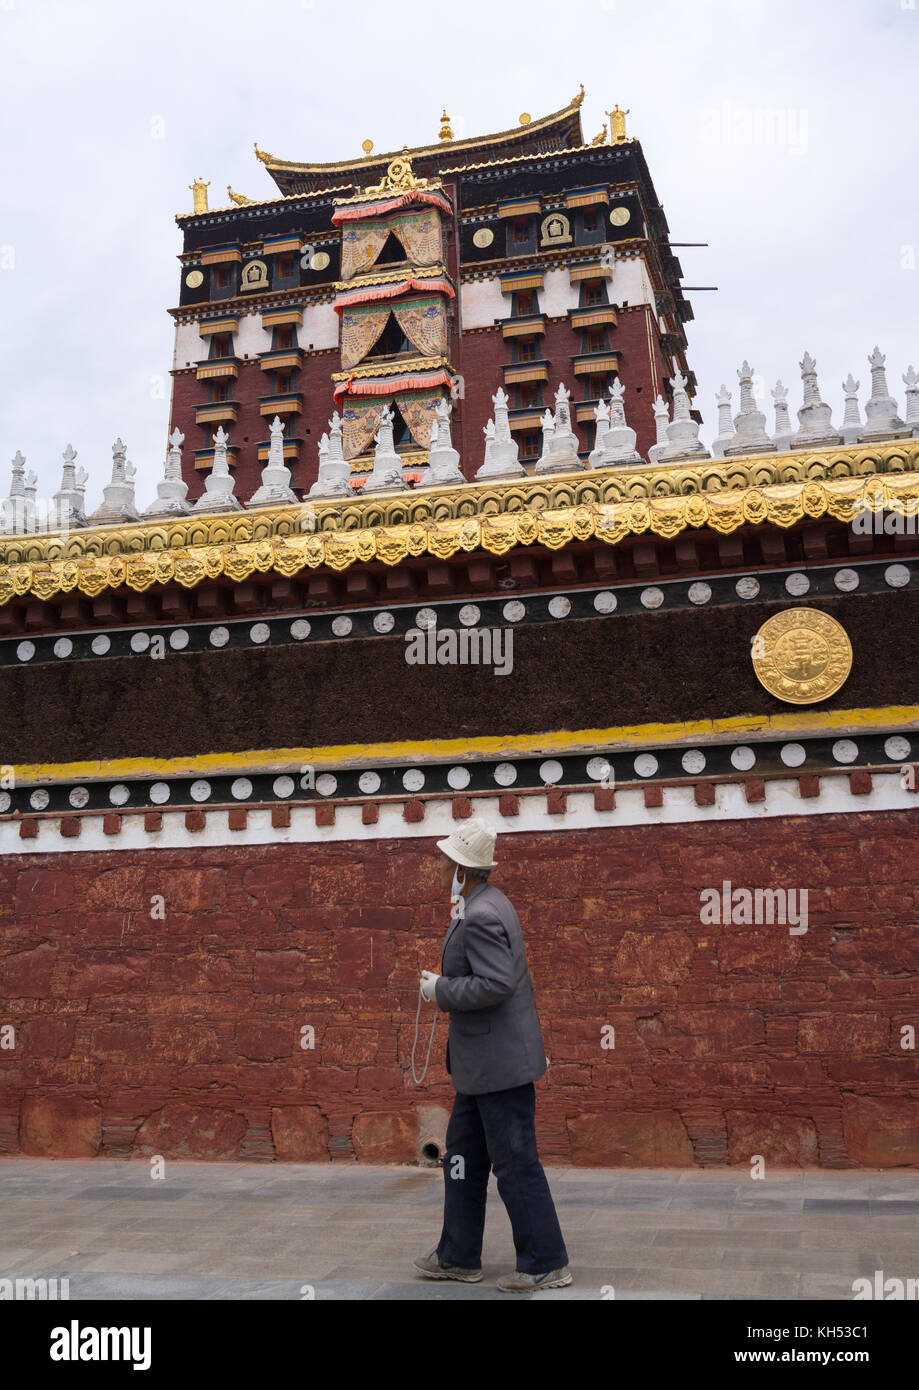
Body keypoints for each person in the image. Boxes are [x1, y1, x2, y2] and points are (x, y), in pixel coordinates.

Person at [413, 817, 571, 1292]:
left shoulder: (480, 914)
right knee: (461, 1157)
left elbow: (497, 984)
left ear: (463, 869)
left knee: (516, 1163)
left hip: (497, 1067)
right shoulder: (482, 903)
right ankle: (458, 1255)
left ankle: (546, 1260)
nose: (440, 869)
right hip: (479, 1069)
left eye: (446, 863)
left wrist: (440, 989)